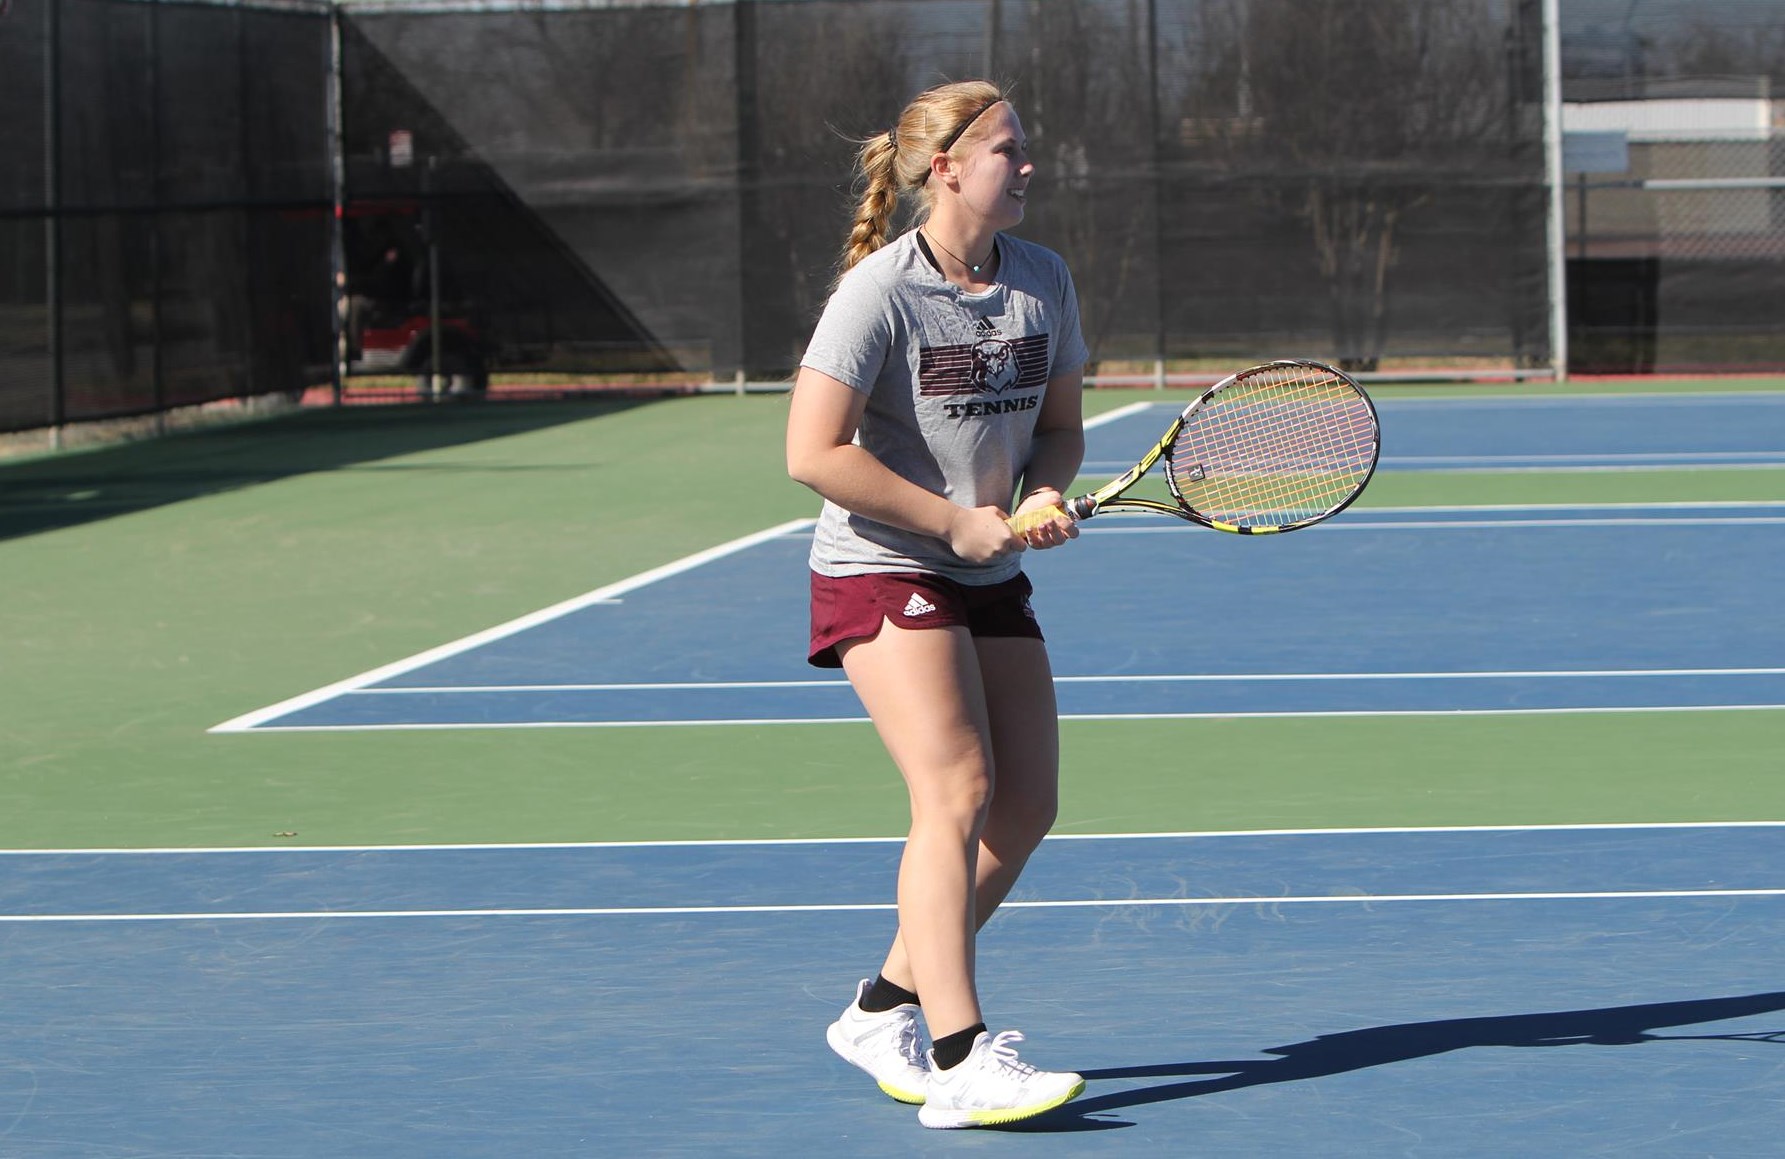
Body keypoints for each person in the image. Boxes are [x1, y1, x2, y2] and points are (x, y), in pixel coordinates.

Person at [784, 79, 1088, 1130]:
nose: (1028, 164)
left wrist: (1041, 491)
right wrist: (954, 522)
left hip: (988, 568)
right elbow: (810, 452)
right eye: (1009, 148)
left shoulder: (1042, 278)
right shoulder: (879, 290)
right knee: (955, 790)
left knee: (1027, 804)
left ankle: (879, 1008)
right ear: (946, 167)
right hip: (880, 562)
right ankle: (958, 1056)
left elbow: (1058, 428)